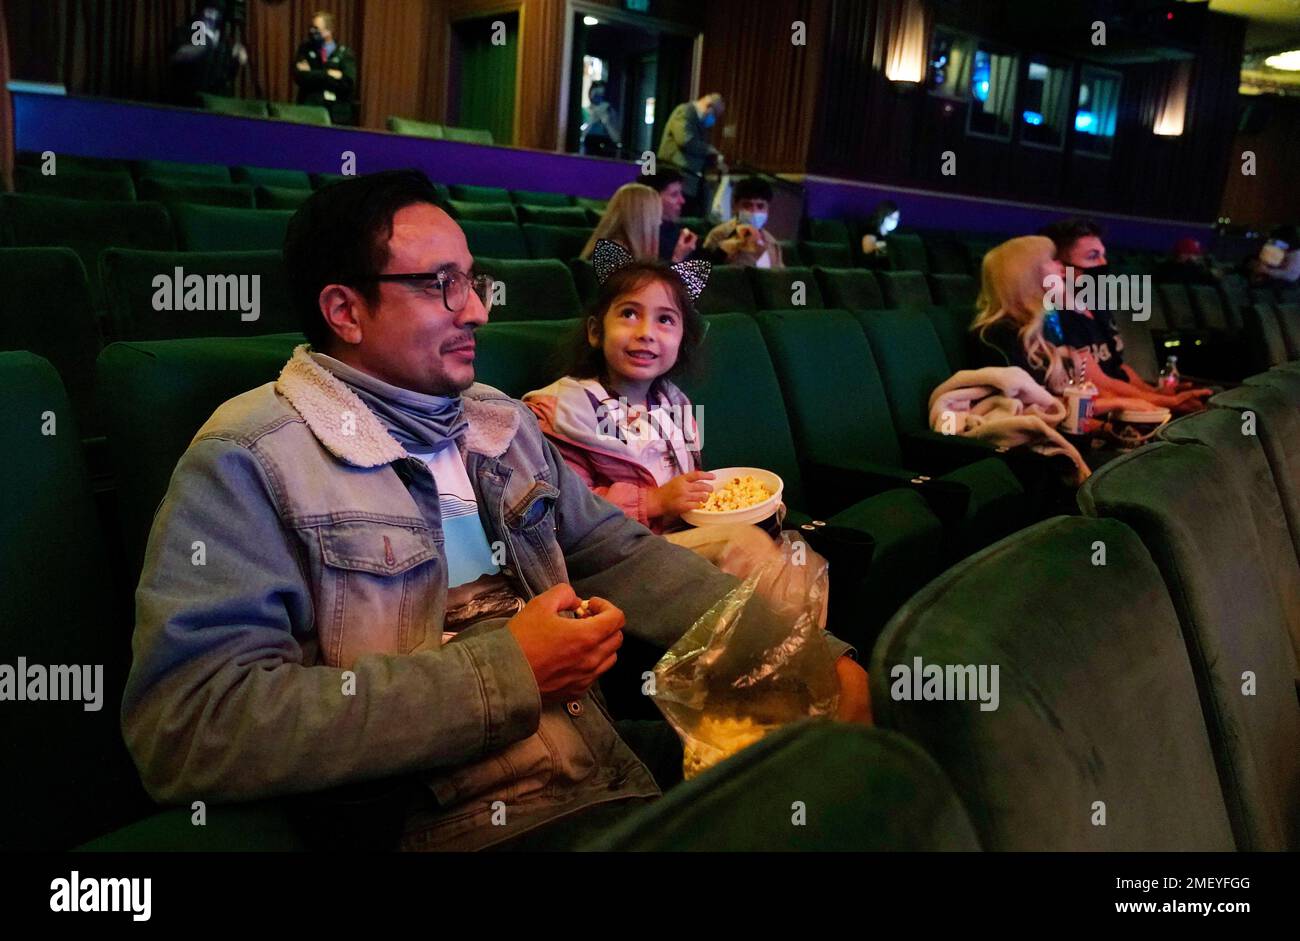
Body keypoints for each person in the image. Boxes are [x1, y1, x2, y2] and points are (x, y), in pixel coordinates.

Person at [119, 169, 870, 852]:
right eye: (441, 285)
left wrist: (810, 656)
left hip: (598, 760)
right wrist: (508, 671)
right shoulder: (249, 459)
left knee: (848, 775)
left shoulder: (498, 423)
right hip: (466, 824)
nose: (477, 308)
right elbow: (192, 724)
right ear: (345, 309)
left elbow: (622, 553)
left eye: (473, 279)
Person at [1040, 219, 1211, 414]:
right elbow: (1098, 383)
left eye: (1103, 255)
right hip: (1100, 411)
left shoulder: (1096, 307)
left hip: (1126, 401)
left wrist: (1158, 393)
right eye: (1093, 256)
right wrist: (1167, 402)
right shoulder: (1057, 319)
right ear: (1061, 267)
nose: (1103, 263)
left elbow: (1120, 369)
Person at [657, 93, 726, 217]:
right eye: (714, 114)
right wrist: (710, 150)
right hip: (677, 173)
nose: (714, 119)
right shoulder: (685, 112)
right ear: (709, 107)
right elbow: (686, 140)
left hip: (691, 180)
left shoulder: (701, 122)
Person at [168, 3, 247, 106]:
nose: (212, 17)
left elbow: (227, 74)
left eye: (215, 15)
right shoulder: (188, 31)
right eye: (209, 13)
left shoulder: (224, 41)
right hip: (190, 100)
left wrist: (236, 56)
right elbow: (177, 56)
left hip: (217, 102)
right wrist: (204, 45)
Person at [702, 176, 784, 269]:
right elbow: (706, 274)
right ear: (735, 207)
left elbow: (780, 277)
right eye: (747, 205)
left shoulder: (771, 242)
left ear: (768, 209)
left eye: (760, 206)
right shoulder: (719, 235)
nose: (754, 212)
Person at [292, 11, 357, 126]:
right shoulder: (305, 50)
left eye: (316, 28)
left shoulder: (345, 54)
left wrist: (313, 73)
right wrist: (328, 74)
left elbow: (348, 83)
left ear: (328, 31)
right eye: (311, 28)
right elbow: (301, 76)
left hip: (337, 114)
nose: (312, 32)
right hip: (309, 110)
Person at [580, 183, 666, 261]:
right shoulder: (612, 253)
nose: (660, 220)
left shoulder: (619, 247)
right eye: (656, 212)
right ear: (644, 217)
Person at [643, 168, 701, 263]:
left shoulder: (677, 233)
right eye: (674, 195)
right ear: (653, 199)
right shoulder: (640, 236)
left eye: (681, 194)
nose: (682, 201)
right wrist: (678, 258)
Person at [1154, 237, 1221, 286]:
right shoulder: (1192, 271)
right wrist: (1212, 275)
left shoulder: (1161, 268)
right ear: (1183, 254)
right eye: (1194, 254)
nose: (1196, 258)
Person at [580, 80, 621, 158]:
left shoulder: (610, 112)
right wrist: (591, 121)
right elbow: (579, 137)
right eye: (595, 94)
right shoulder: (583, 111)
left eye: (601, 95)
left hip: (606, 155)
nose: (597, 97)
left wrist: (607, 122)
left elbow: (617, 139)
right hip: (586, 154)